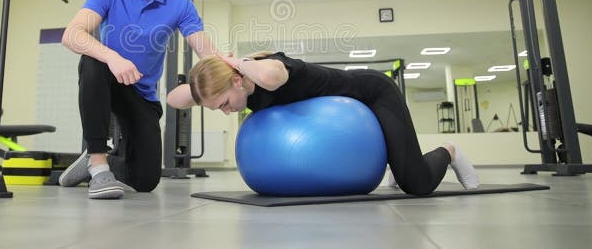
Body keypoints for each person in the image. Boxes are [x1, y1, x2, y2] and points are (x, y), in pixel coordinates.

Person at [166, 52, 479, 196]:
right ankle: (396, 162)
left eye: (222, 104)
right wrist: (201, 84)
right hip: (347, 121)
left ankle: (449, 151)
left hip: (373, 94)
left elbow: (272, 77)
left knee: (417, 184)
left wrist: (239, 62)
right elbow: (173, 99)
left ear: (237, 80)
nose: (224, 112)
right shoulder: (235, 89)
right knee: (405, 172)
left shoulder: (270, 68)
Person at [60, 0, 216, 199]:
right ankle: (98, 164)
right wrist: (113, 57)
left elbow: (206, 50)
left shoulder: (179, 3)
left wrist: (237, 69)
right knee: (92, 62)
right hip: (110, 78)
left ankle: (99, 162)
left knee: (145, 181)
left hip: (141, 92)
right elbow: (71, 35)